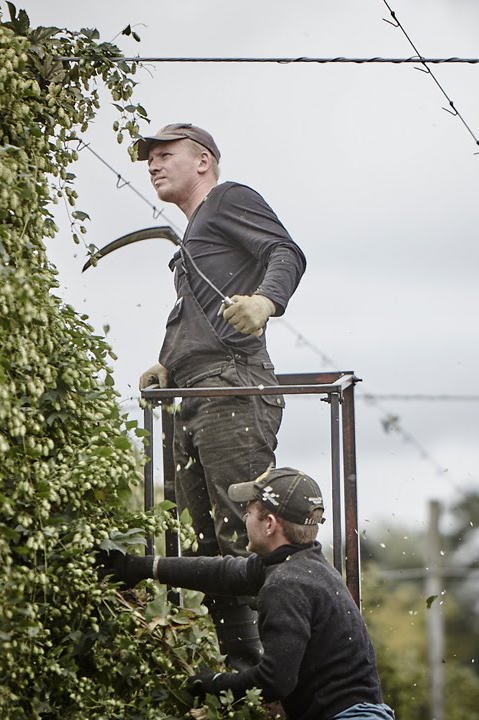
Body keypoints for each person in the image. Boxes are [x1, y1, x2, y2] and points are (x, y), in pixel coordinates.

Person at [135, 123, 307, 669]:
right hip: (197, 392)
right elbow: (194, 313)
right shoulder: (193, 239)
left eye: (165, 155)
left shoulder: (231, 199)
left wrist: (265, 303)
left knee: (248, 531)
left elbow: (286, 252)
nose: (153, 165)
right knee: (201, 539)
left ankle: (282, 673)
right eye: (150, 159)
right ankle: (242, 669)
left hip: (235, 385)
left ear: (203, 160)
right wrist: (169, 358)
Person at [98, 468, 396, 720]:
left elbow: (274, 680)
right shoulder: (302, 564)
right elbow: (224, 573)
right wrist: (144, 566)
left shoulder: (287, 584)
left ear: (269, 524)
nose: (244, 517)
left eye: (250, 511)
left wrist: (211, 684)